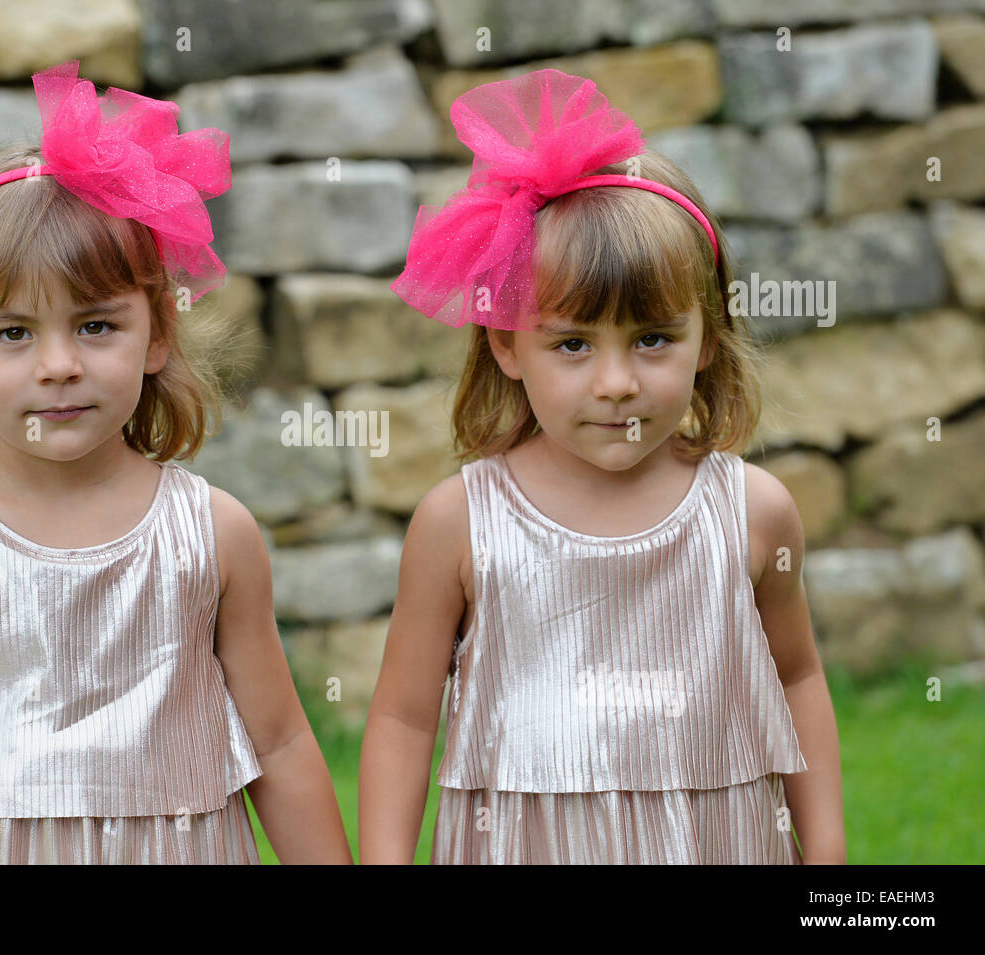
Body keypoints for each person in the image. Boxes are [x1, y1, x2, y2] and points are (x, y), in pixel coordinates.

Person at [0, 61, 351, 865]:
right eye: (13, 333)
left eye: (97, 326)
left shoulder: (212, 534)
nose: (59, 364)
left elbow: (277, 743)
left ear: (159, 332)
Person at [359, 69, 845, 864]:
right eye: (573, 343)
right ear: (508, 344)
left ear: (709, 337)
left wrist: (825, 852)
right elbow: (405, 718)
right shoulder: (460, 523)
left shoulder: (754, 512)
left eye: (653, 338)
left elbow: (795, 679)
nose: (617, 381)